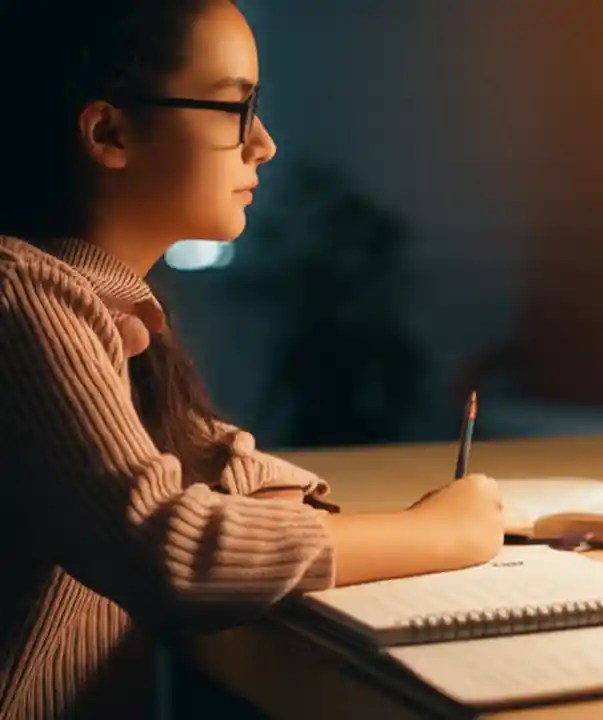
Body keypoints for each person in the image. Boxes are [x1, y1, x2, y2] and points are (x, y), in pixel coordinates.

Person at [0, 1, 505, 716]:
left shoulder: (112, 314)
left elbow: (205, 457)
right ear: (109, 131)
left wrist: (299, 503)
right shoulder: (20, 294)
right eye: (236, 109)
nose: (263, 144)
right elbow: (165, 547)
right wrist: (439, 534)